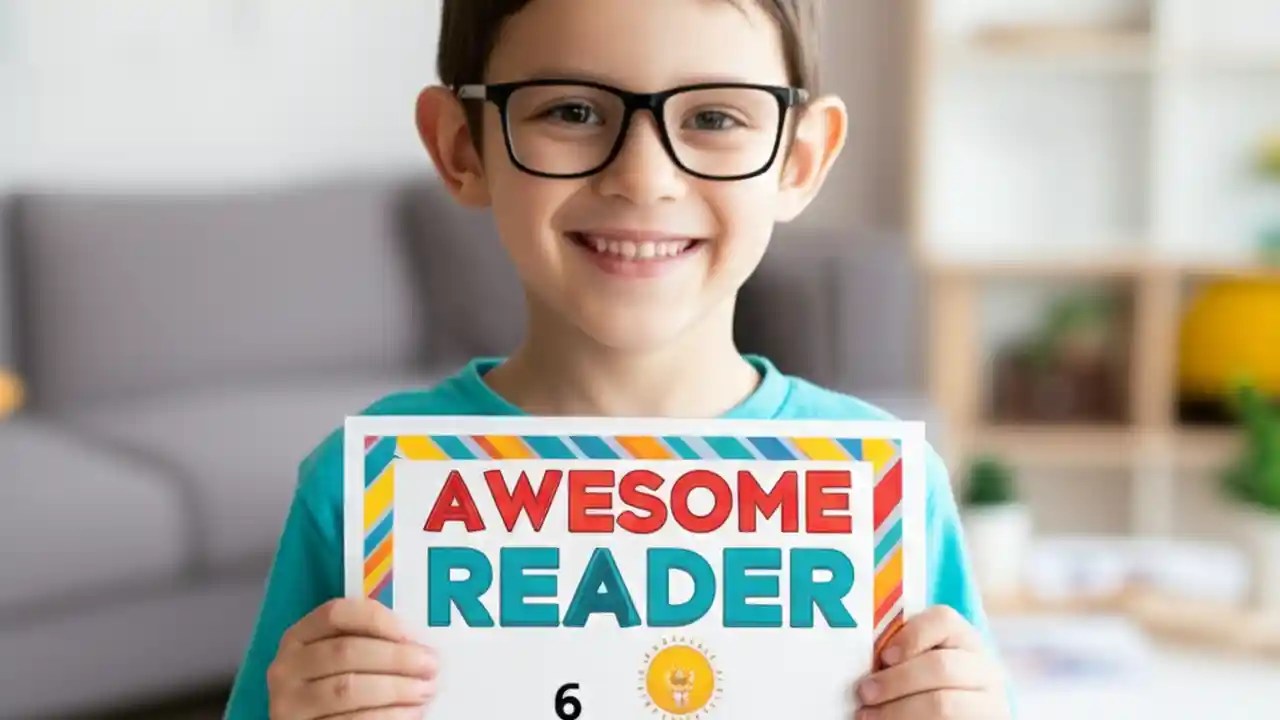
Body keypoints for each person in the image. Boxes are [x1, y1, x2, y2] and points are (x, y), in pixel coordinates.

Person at [225, 1, 1012, 718]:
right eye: (572, 110)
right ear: (463, 146)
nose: (643, 178)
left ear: (798, 161)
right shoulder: (359, 489)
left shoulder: (887, 493)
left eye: (713, 116)